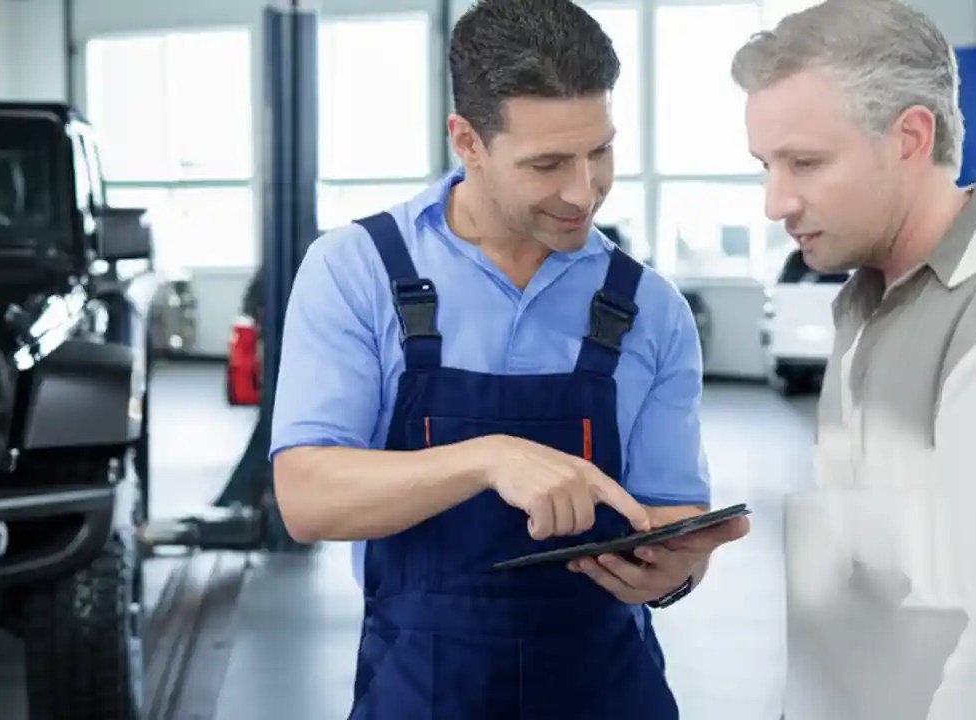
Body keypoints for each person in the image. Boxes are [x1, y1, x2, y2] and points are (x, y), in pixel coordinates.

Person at [269, 0, 750, 717]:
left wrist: (673, 572)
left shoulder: (651, 308)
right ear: (467, 141)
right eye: (548, 163)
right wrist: (487, 458)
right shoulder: (356, 271)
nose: (583, 191)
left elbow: (673, 504)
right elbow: (305, 498)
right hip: (426, 686)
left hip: (606, 684)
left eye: (601, 152)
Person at [732, 1, 976, 717]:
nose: (776, 202)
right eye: (765, 166)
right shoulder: (865, 300)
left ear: (909, 137)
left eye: (805, 162)